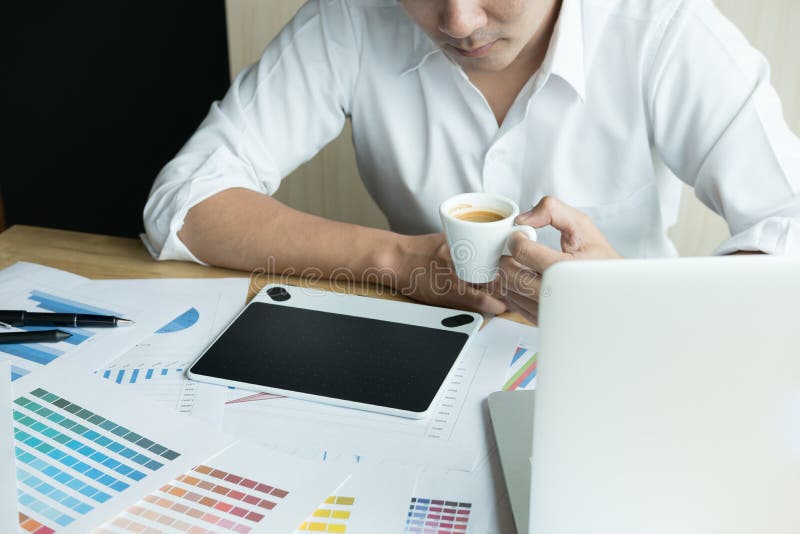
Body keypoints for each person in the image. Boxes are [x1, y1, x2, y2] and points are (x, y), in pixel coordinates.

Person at [143, 0, 800, 324]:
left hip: (633, 363)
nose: (459, 21)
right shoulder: (352, 15)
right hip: (425, 356)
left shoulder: (662, 26)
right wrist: (397, 262)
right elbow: (184, 203)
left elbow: (790, 224)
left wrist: (625, 300)